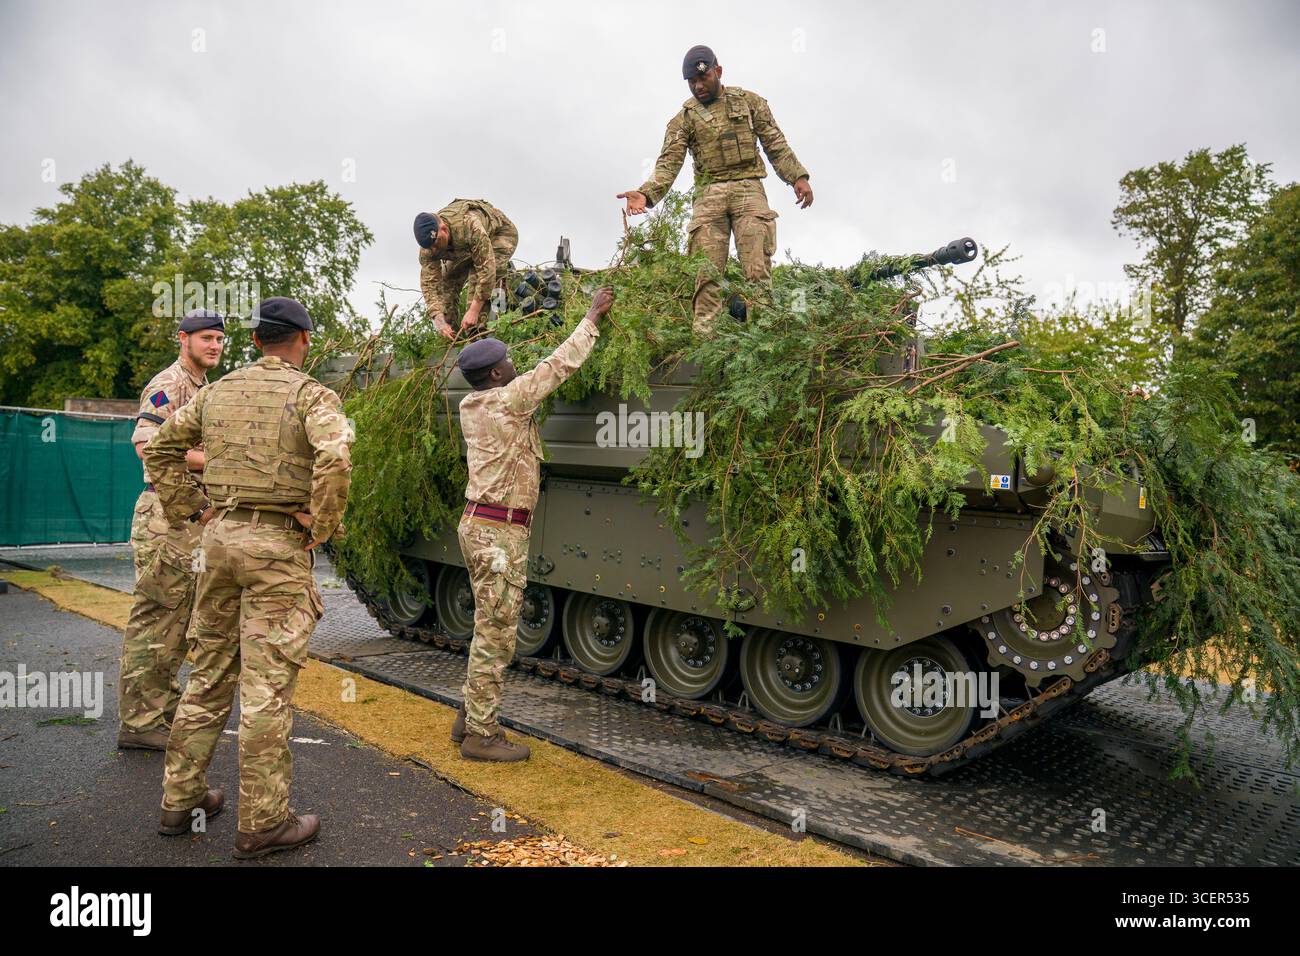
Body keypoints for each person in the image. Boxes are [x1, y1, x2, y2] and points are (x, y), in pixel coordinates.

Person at [144, 297, 353, 857]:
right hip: (277, 547)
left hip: (218, 543)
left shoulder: (216, 391)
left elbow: (159, 447)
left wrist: (191, 509)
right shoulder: (312, 395)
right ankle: (263, 822)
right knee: (266, 688)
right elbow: (336, 460)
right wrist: (322, 526)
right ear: (304, 341)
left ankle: (179, 801)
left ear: (256, 341)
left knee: (209, 672)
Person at [450, 287, 615, 761]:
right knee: (497, 632)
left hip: (478, 524)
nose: (516, 368)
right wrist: (590, 319)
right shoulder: (508, 402)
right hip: (499, 532)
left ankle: (468, 716)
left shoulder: (474, 406)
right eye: (509, 364)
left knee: (486, 621)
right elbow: (556, 367)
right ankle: (482, 735)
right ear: (498, 373)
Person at [618, 44, 813, 334]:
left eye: (703, 78)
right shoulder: (684, 119)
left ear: (717, 72)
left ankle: (762, 342)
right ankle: (704, 340)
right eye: (692, 82)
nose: (698, 86)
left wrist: (797, 176)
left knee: (757, 270)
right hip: (709, 194)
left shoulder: (749, 102)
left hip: (749, 188)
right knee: (706, 273)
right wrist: (646, 194)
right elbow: (669, 162)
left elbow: (775, 143)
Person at [117, 308, 225, 751]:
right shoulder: (170, 383)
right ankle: (140, 724)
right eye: (206, 338)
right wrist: (217, 461)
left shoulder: (202, 386)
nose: (214, 346)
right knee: (157, 617)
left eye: (219, 339)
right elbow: (147, 445)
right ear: (183, 339)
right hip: (164, 515)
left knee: (177, 621)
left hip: (187, 514)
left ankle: (158, 711)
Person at [414, 199, 519, 340]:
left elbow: (486, 271)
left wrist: (473, 310)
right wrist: (439, 321)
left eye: (437, 242)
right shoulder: (429, 247)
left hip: (498, 235)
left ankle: (478, 335)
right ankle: (453, 338)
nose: (434, 249)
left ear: (444, 229)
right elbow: (430, 285)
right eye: (430, 247)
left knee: (477, 278)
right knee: (446, 285)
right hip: (464, 249)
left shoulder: (469, 224)